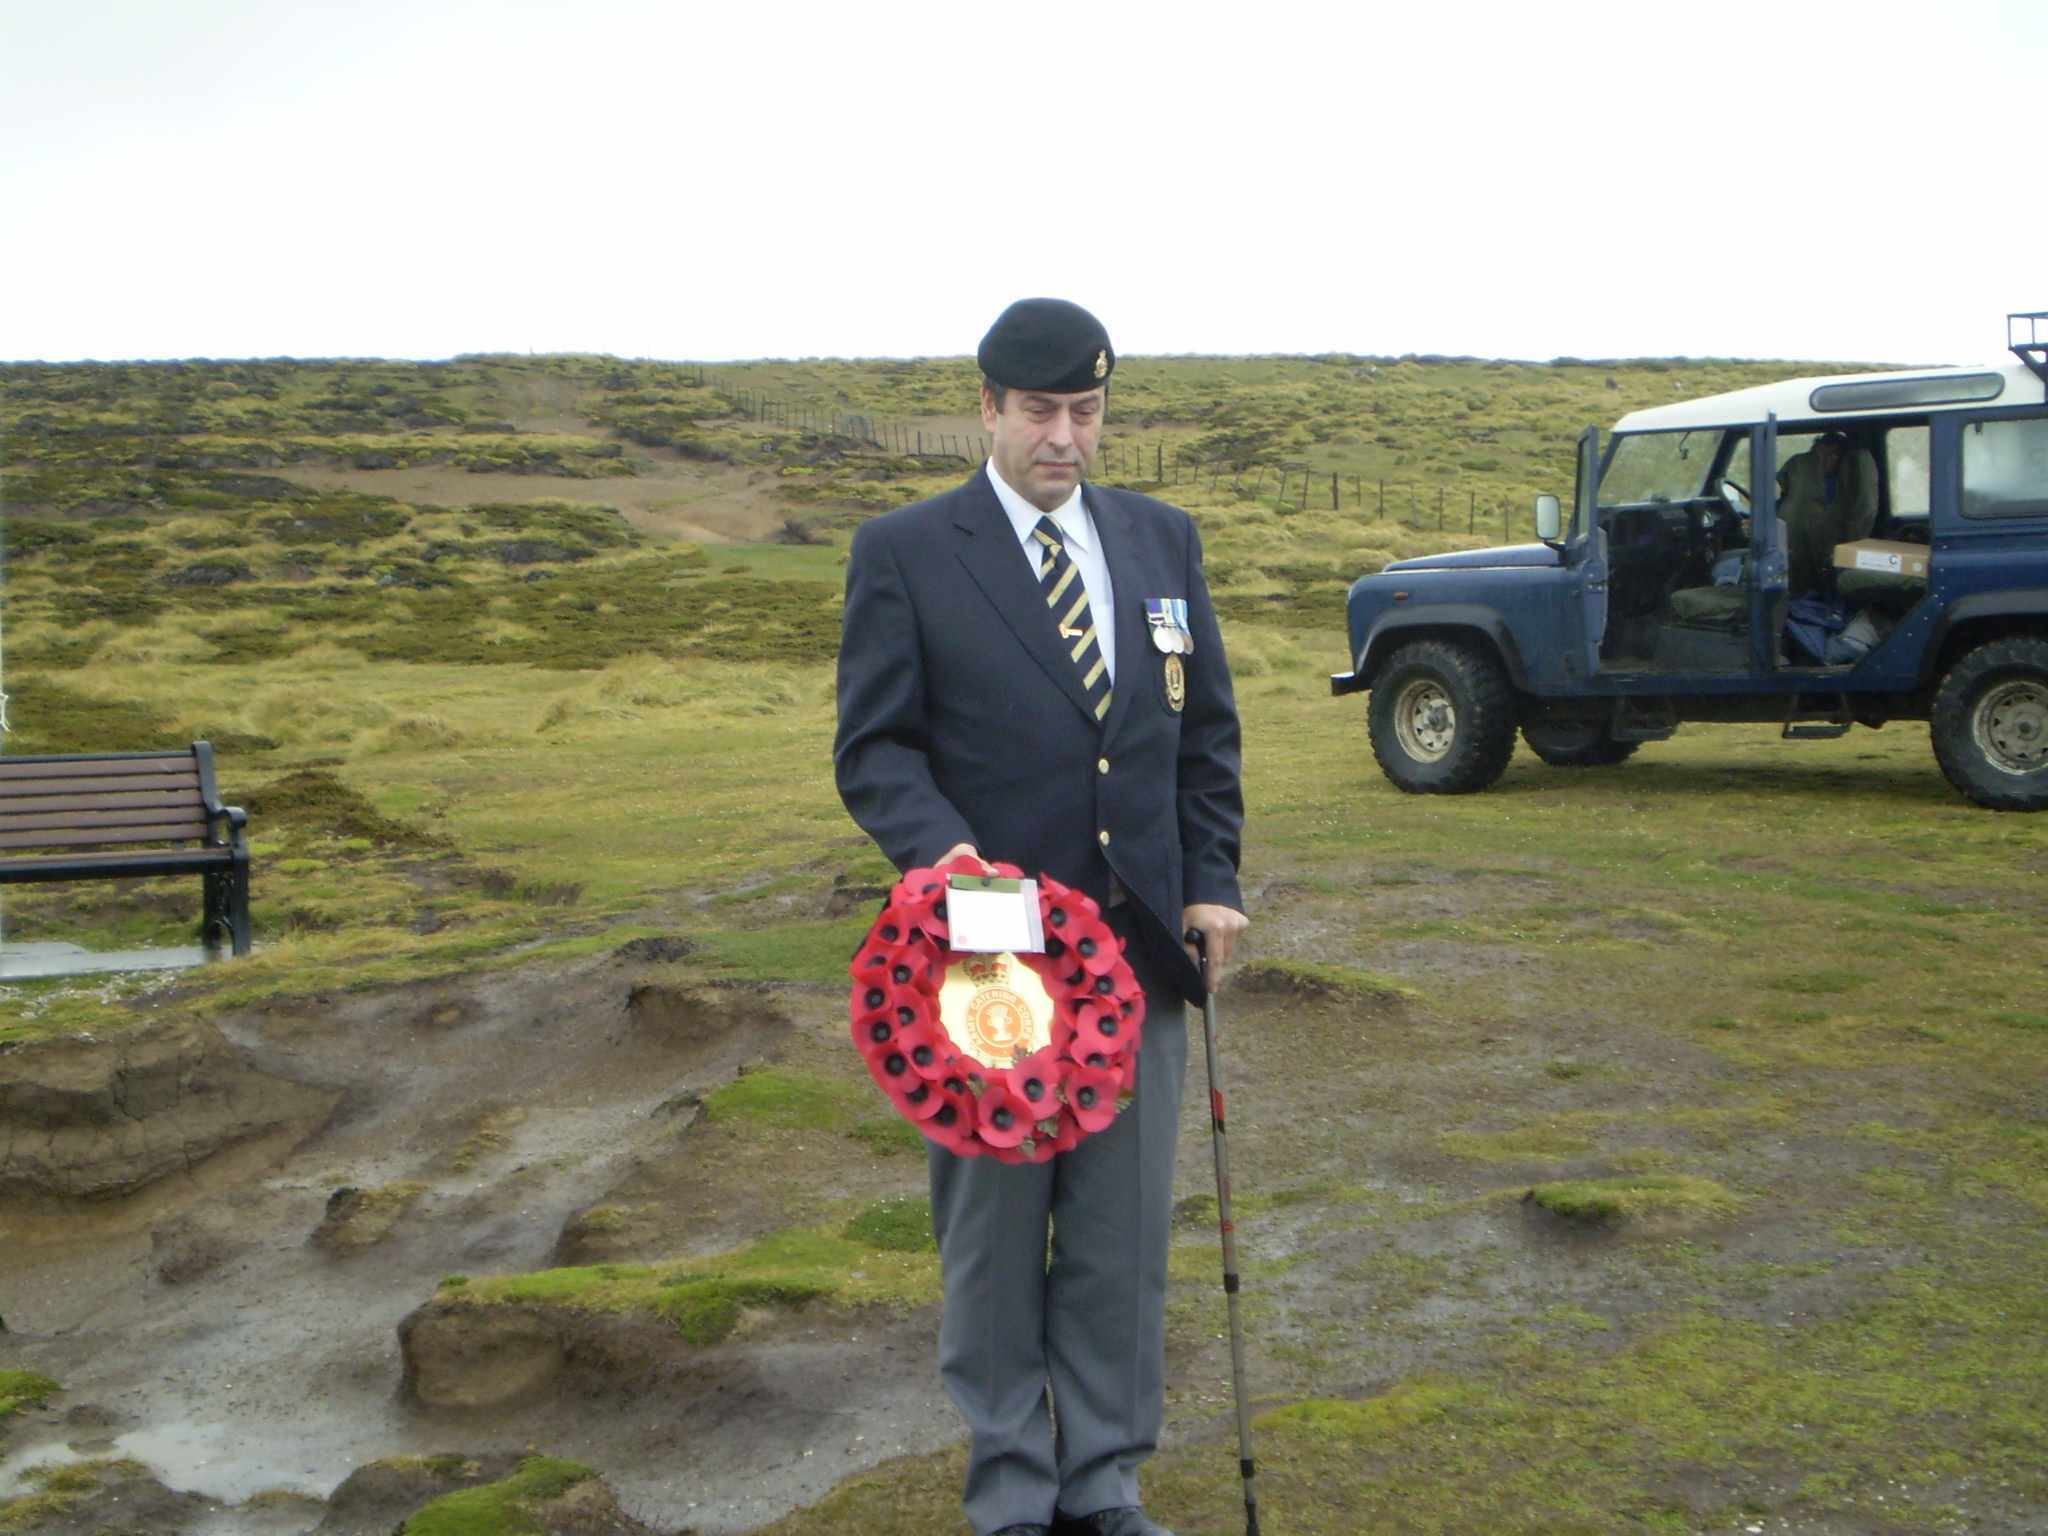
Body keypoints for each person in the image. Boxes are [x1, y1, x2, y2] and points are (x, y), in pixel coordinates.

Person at [834, 298, 1249, 1536]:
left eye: (1084, 412)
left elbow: (1203, 738)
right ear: (987, 409)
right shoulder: (907, 550)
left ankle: (1104, 1484)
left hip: (1138, 959)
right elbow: (876, 748)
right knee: (996, 1244)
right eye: (1039, 413)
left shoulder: (1161, 540)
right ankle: (1013, 1492)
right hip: (989, 970)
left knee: (1120, 1243)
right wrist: (936, 850)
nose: (1063, 438)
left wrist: (1211, 881)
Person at [1776, 431, 1878, 596]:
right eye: (1821, 453)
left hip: (1826, 548)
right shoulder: (1799, 471)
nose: (1826, 460)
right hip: (1793, 549)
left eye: (1834, 454)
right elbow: (1784, 493)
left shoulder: (1846, 483)